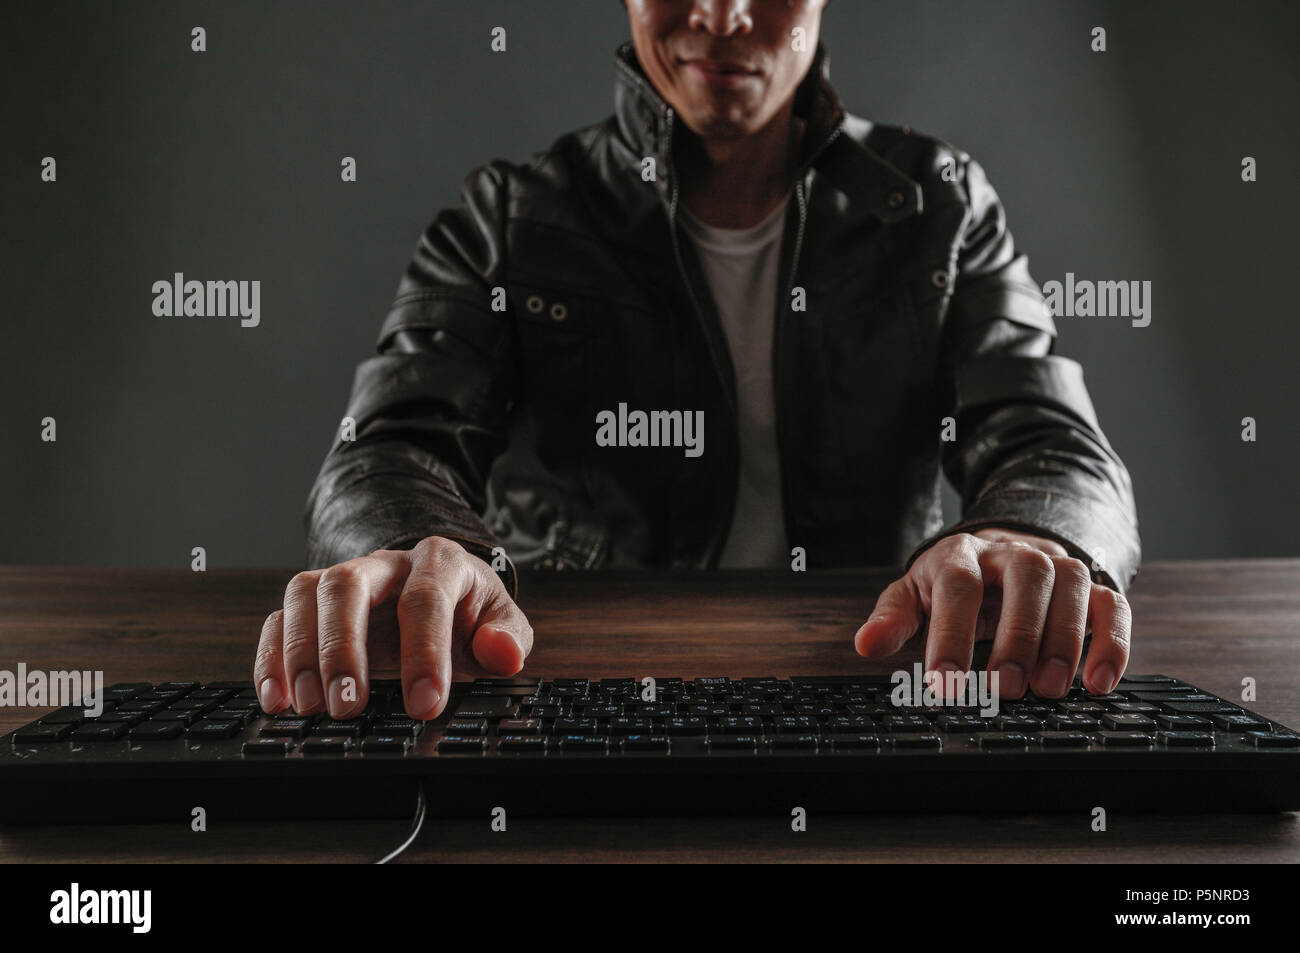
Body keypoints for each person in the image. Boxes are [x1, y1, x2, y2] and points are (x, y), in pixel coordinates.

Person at [254, 0, 1140, 721]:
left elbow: (1053, 442)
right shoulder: (509, 215)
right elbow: (387, 446)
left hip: (880, 683)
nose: (721, 16)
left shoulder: (938, 204)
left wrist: (1029, 537)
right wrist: (417, 547)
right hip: (565, 695)